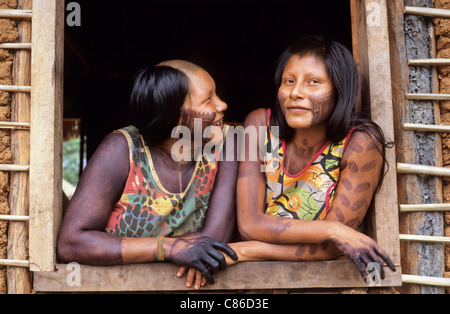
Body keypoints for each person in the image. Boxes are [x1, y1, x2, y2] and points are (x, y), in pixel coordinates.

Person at [57, 60, 238, 290]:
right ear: (173, 117)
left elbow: (213, 241)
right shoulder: (122, 149)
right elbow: (71, 243)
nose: (222, 105)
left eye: (217, 95)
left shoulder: (228, 145)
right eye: (208, 100)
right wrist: (169, 249)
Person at [229, 35, 396, 281]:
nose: (295, 93)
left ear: (339, 90)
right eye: (288, 81)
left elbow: (331, 247)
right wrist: (331, 229)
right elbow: (249, 224)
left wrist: (246, 251)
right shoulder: (260, 126)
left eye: (313, 82)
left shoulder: (360, 142)